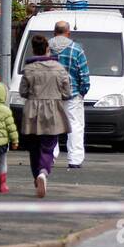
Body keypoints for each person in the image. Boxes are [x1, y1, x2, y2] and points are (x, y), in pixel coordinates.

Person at [20, 34, 72, 197]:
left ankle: (36, 175)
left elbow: (23, 91)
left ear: (34, 50)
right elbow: (67, 92)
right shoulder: (59, 68)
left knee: (33, 147)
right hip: (52, 110)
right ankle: (44, 171)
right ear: (47, 50)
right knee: (48, 146)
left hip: (32, 111)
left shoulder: (29, 69)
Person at [49, 20, 90, 170]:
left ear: (54, 32)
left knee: (51, 126)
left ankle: (50, 156)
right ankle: (75, 159)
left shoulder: (47, 48)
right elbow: (83, 73)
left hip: (51, 94)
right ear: (68, 32)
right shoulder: (76, 49)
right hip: (72, 94)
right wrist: (83, 91)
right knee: (75, 126)